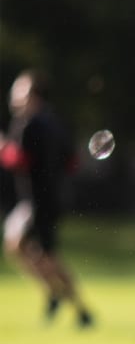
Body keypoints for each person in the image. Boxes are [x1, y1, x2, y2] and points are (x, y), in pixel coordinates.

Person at [1, 69, 94, 328]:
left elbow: (19, 159)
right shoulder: (54, 122)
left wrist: (3, 148)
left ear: (33, 96)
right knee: (21, 246)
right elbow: (72, 161)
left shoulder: (29, 124)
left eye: (19, 91)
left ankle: (77, 306)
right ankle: (59, 297)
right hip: (47, 199)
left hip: (38, 201)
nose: (14, 96)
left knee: (44, 255)